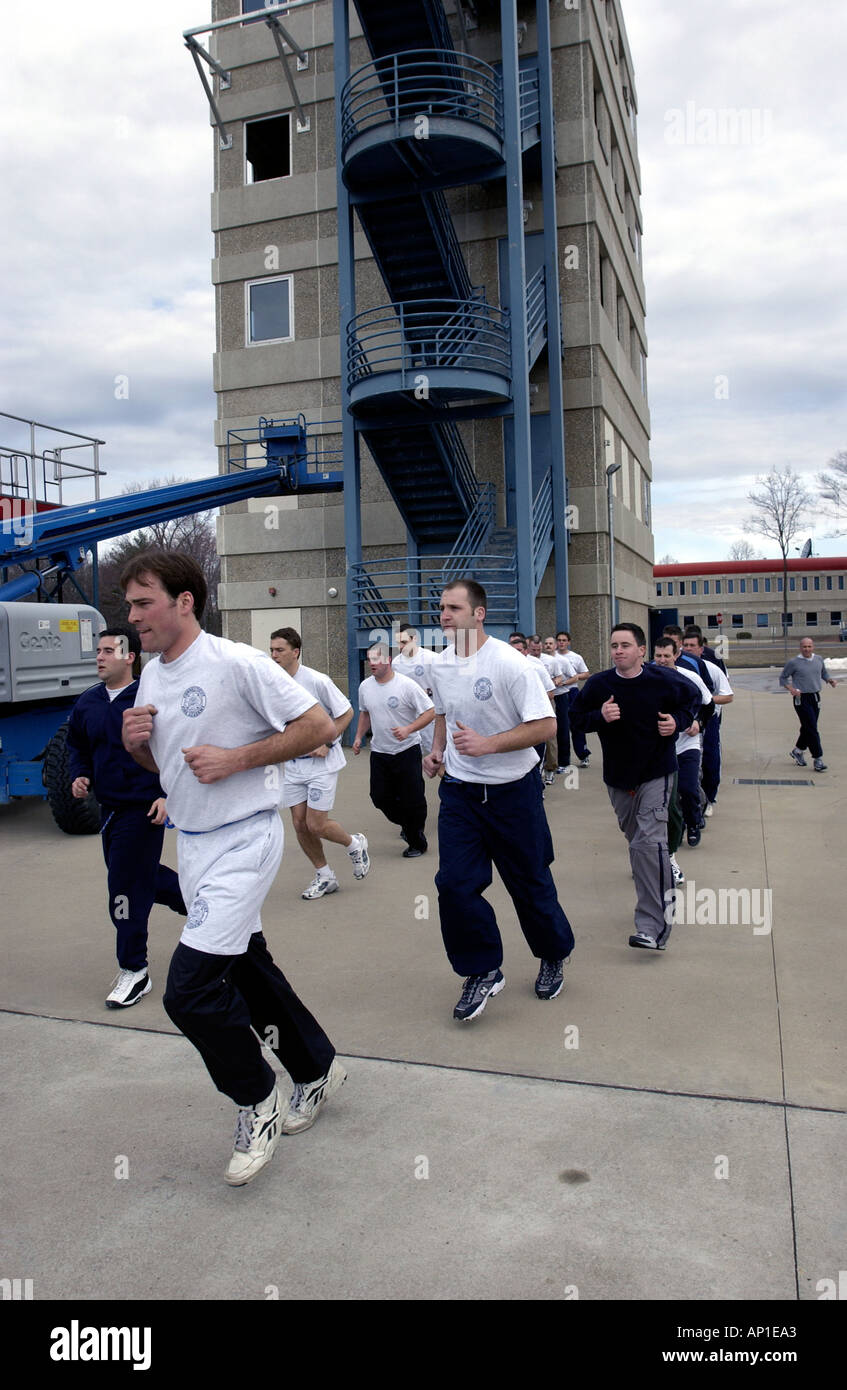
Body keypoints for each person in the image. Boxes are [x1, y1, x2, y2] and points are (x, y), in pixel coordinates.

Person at [120, 550, 345, 1187]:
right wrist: (137, 747)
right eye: (130, 605)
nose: (133, 617)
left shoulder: (237, 662)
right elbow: (168, 768)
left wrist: (238, 760)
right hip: (191, 845)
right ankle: (316, 1066)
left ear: (184, 601)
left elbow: (317, 725)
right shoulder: (153, 676)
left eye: (144, 603)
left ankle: (255, 1097)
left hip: (245, 839)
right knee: (246, 967)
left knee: (189, 989)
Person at [423, 579, 575, 1019]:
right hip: (461, 793)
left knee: (528, 882)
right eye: (441, 608)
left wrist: (488, 744)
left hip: (514, 793)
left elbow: (545, 727)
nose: (444, 615)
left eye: (453, 608)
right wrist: (437, 751)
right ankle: (483, 969)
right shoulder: (441, 665)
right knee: (454, 885)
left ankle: (552, 954)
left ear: (479, 613)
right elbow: (444, 712)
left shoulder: (513, 665)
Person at [66, 625, 186, 1008]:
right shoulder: (88, 702)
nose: (99, 657)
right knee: (142, 879)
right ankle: (204, 905)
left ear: (130, 656)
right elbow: (77, 746)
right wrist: (79, 774)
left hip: (144, 808)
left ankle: (134, 970)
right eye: (97, 650)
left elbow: (175, 749)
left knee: (123, 889)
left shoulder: (150, 699)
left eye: (107, 651)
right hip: (109, 810)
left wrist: (167, 795)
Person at [570, 623, 700, 951]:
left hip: (657, 772)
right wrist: (599, 716)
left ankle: (652, 927)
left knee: (648, 843)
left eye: (625, 645)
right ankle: (664, 892)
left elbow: (694, 701)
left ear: (641, 651)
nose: (618, 650)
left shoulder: (666, 680)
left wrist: (679, 722)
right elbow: (574, 720)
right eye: (614, 645)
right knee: (637, 842)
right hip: (618, 778)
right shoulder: (599, 685)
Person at [269, 627, 369, 899]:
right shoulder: (272, 684)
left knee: (316, 824)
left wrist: (328, 741)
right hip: (291, 766)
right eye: (272, 650)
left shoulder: (316, 680)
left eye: (280, 650)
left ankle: (354, 843)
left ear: (295, 652)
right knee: (299, 824)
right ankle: (325, 875)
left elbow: (346, 712)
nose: (274, 655)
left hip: (321, 766)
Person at [353, 643, 434, 857]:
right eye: (369, 659)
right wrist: (359, 737)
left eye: (377, 659)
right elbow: (365, 713)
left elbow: (430, 712)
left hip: (406, 749)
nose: (372, 663)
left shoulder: (406, 685)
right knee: (379, 797)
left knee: (413, 798)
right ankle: (409, 825)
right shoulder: (365, 687)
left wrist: (409, 729)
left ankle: (417, 842)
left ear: (388, 660)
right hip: (380, 751)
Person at [652, 637, 712, 849]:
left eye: (666, 656)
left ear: (676, 655)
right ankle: (664, 834)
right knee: (662, 797)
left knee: (687, 787)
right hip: (659, 747)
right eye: (658, 655)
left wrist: (698, 721)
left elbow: (708, 704)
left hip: (687, 743)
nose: (661, 660)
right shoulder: (647, 677)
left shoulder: (690, 677)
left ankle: (693, 823)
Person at [681, 630, 733, 816]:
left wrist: (707, 700)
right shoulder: (677, 669)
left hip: (709, 720)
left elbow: (728, 696)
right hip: (685, 722)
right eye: (684, 646)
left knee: (710, 758)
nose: (687, 649)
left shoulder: (711, 669)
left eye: (691, 646)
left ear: (701, 649)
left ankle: (709, 798)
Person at [780, 636, 837, 772]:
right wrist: (791, 689)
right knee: (811, 728)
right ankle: (818, 759)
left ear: (813, 647)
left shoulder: (818, 659)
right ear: (800, 648)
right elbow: (783, 677)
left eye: (809, 646)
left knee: (808, 727)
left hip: (815, 697)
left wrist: (829, 680)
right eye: (804, 646)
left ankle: (798, 751)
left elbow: (823, 672)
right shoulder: (794, 662)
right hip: (801, 698)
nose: (807, 649)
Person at [392, 623, 438, 755]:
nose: (400, 647)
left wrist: (427, 692)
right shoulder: (396, 663)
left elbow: (445, 686)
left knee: (436, 759)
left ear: (415, 639)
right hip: (408, 719)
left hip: (430, 718)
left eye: (404, 642)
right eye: (398, 643)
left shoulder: (431, 658)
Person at [555, 631, 592, 766]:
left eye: (564, 640)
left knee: (576, 724)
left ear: (569, 642)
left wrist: (574, 678)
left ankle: (583, 754)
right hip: (557, 694)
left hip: (572, 692)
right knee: (559, 727)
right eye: (559, 640)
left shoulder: (576, 657)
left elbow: (586, 673)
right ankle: (560, 758)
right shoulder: (552, 657)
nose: (561, 643)